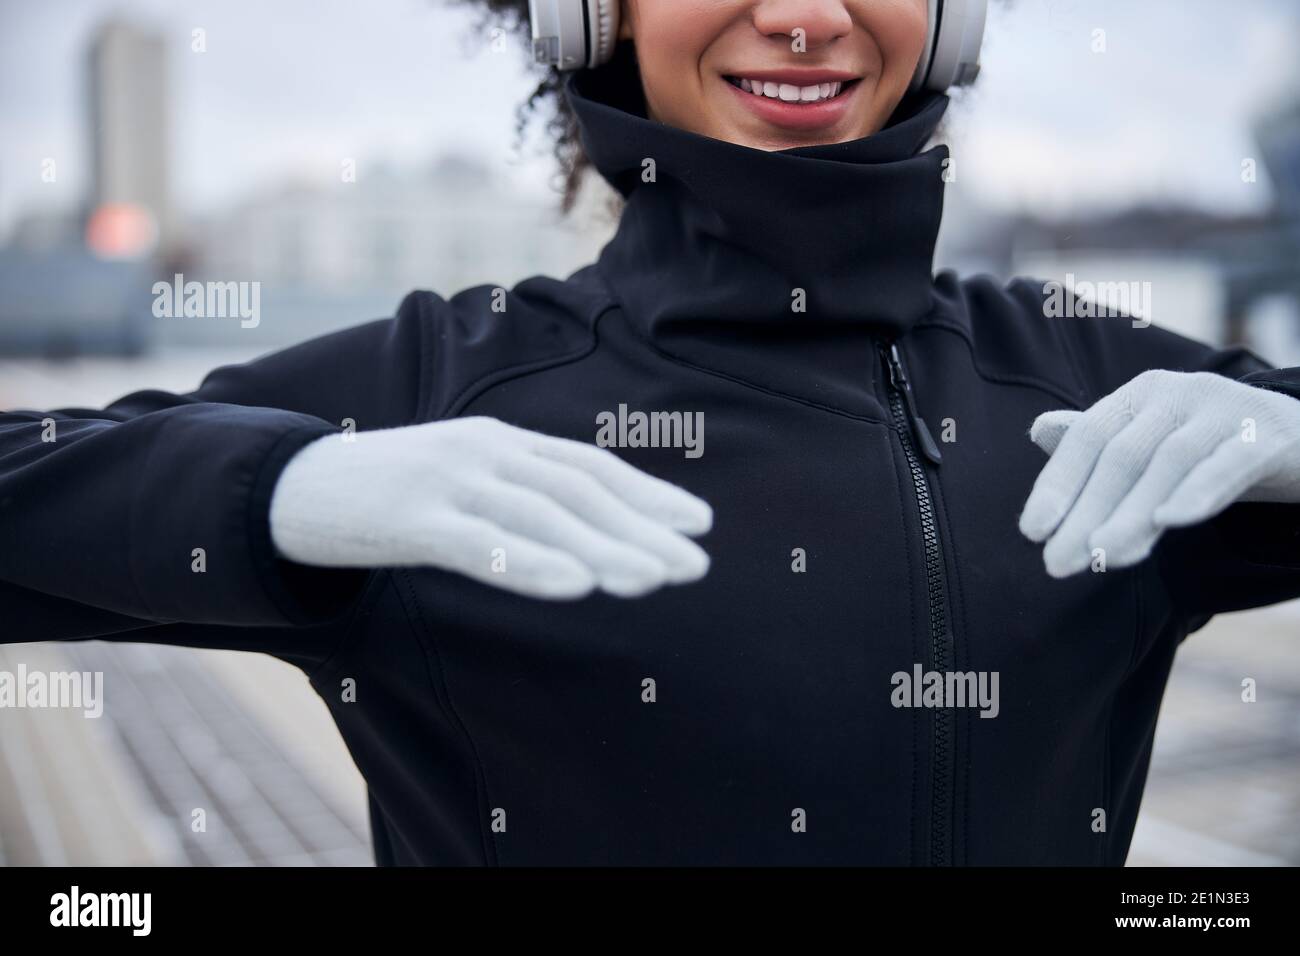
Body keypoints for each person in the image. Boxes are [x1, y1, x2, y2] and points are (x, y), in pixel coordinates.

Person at [4, 0, 1300, 866]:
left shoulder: (1089, 377)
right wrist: (272, 494)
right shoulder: (430, 388)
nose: (804, 15)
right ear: (588, 8)